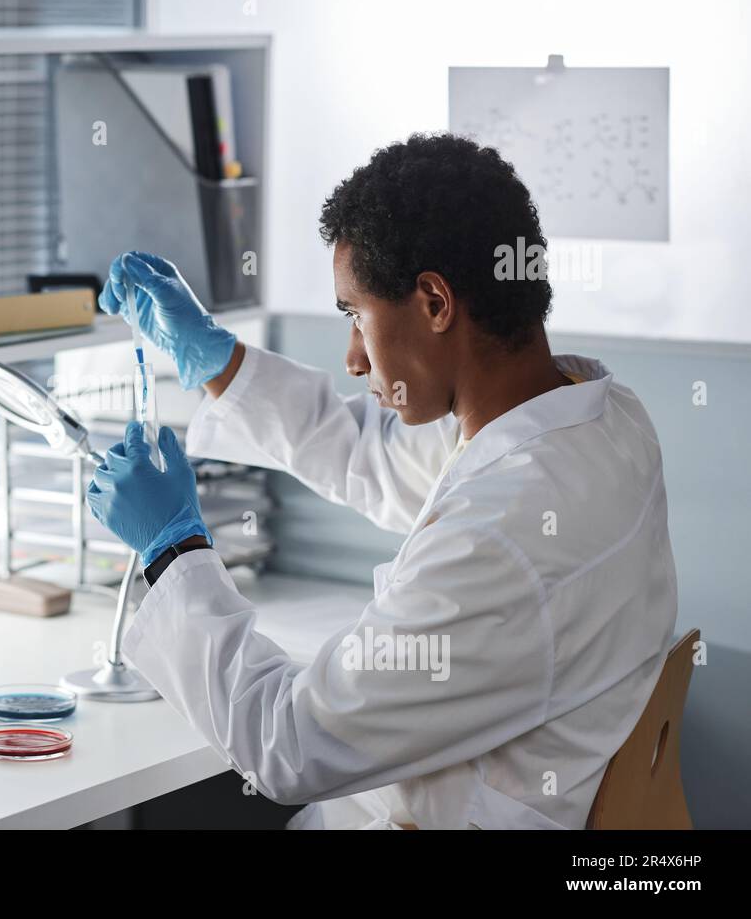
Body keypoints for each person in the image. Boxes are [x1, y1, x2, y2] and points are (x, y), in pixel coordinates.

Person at [86, 133, 678, 829]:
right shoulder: (598, 419)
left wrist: (174, 550)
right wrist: (218, 359)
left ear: (434, 302)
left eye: (355, 315)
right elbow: (375, 459)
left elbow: (287, 746)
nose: (353, 358)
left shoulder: (504, 534)